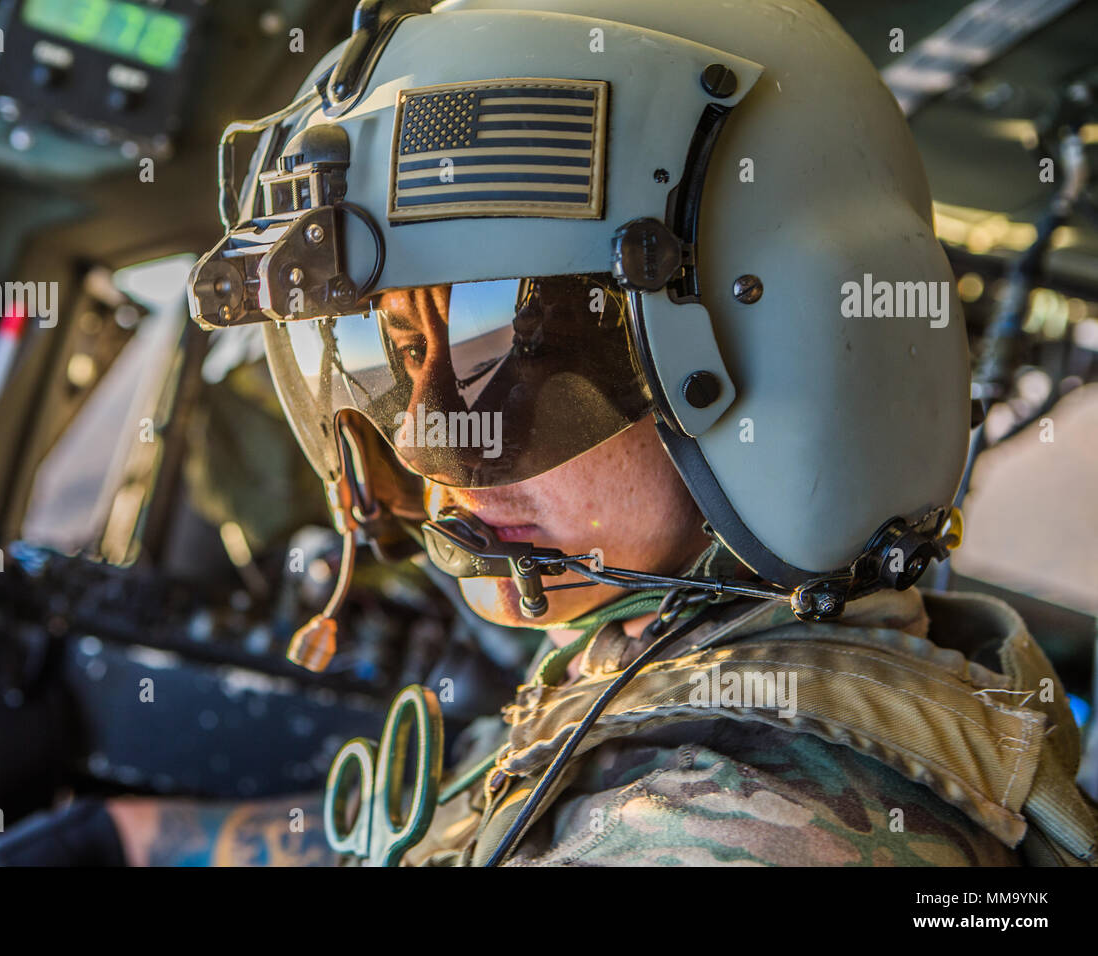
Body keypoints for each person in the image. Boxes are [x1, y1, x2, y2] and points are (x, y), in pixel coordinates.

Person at [106, 0, 1097, 866]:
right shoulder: (680, 667)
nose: (417, 433)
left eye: (515, 348)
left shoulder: (741, 831)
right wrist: (126, 836)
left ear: (787, 342)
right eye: (395, 354)